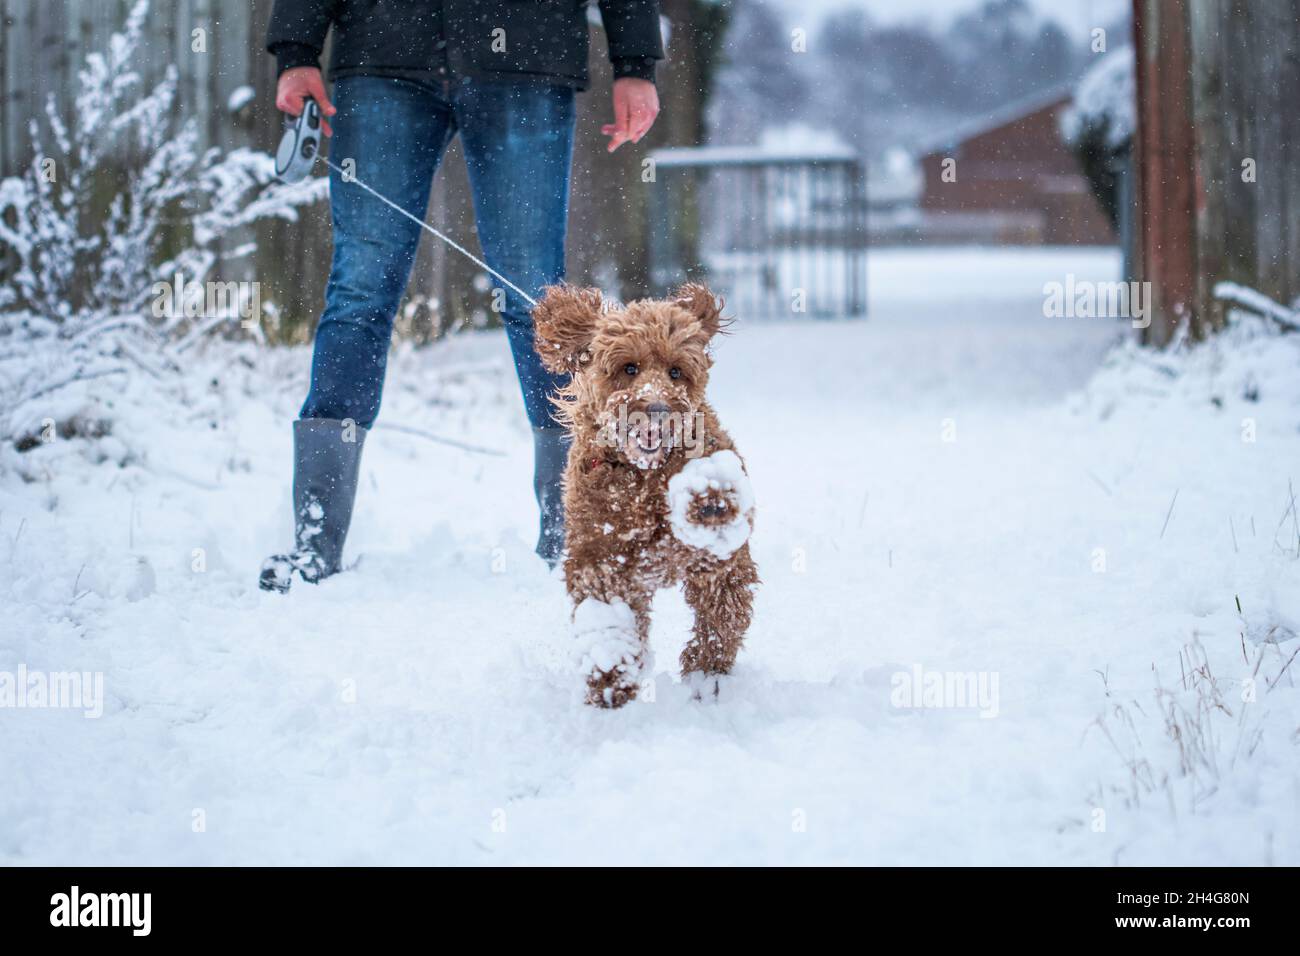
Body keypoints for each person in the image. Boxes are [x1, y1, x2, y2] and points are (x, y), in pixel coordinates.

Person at [259, 0, 664, 592]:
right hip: (382, 50)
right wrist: (296, 48)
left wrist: (636, 62)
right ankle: (313, 543)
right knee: (359, 290)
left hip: (526, 55)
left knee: (537, 299)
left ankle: (576, 534)